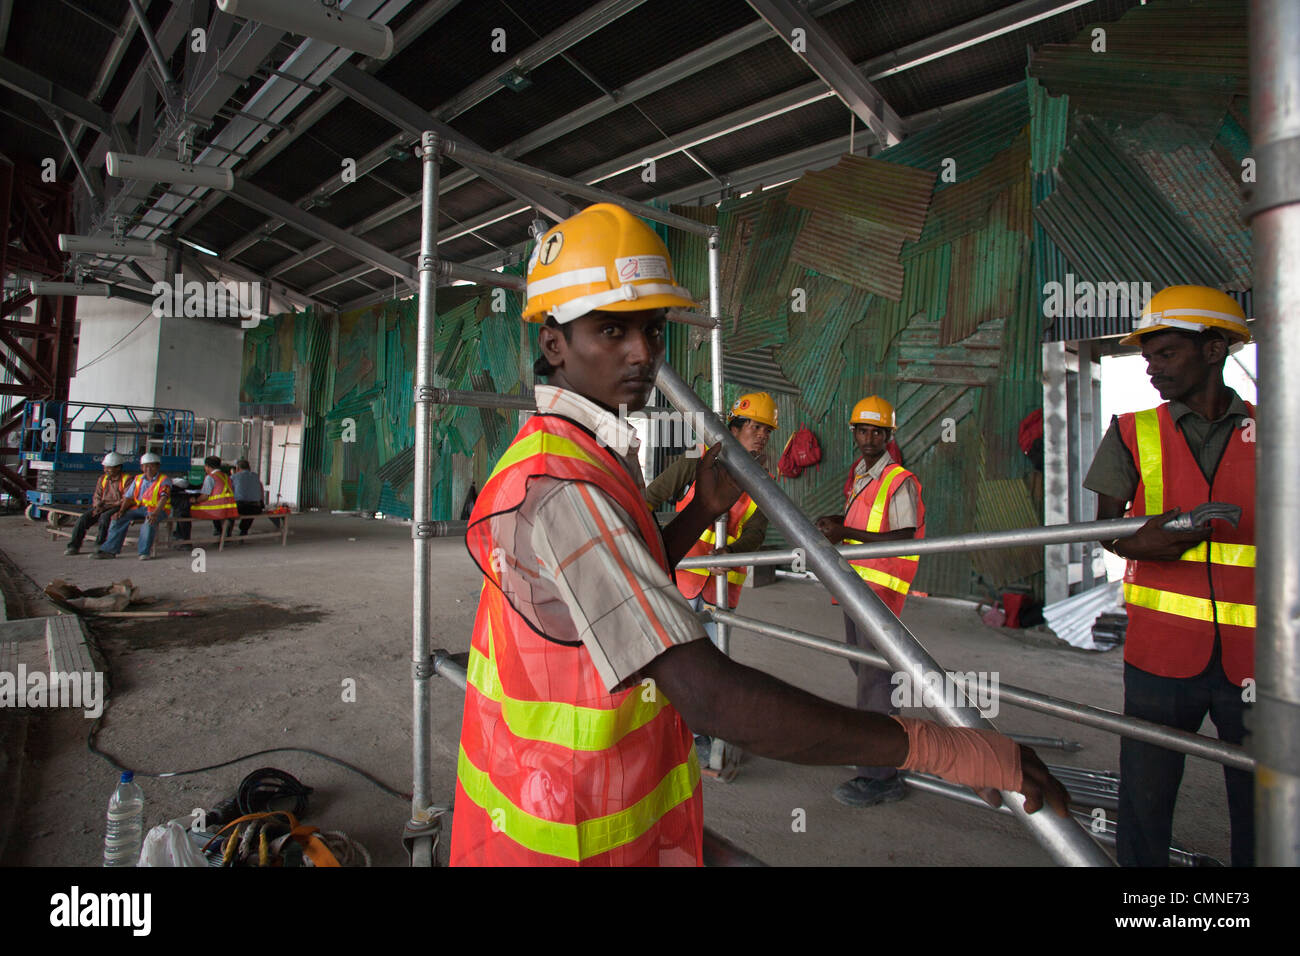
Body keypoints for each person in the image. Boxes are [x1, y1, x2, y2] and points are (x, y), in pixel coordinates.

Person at [449, 202, 1064, 866]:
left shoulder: (577, 450)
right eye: (610, 330)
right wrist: (947, 748)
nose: (643, 354)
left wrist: (697, 513)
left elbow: (610, 590)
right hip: (562, 833)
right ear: (554, 344)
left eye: (653, 331)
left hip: (600, 811)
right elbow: (713, 697)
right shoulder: (564, 486)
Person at [1083, 285, 1255, 867]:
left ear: (1213, 349)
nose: (1152, 368)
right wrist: (1139, 540)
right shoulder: (1131, 431)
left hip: (1260, 659)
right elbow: (1102, 531)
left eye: (1167, 353)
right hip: (1160, 654)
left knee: (1261, 799)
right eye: (1147, 357)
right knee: (1146, 799)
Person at [645, 391, 776, 758]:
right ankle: (673, 727)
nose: (762, 435)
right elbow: (650, 497)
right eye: (754, 426)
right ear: (733, 427)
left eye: (767, 430)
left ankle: (703, 736)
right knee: (672, 659)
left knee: (713, 664)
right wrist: (650, 543)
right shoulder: (695, 463)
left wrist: (732, 552)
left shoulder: (763, 483)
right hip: (682, 580)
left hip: (721, 588)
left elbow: (756, 531)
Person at [814, 396, 925, 809]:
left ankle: (880, 776)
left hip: (881, 592)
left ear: (889, 436)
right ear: (854, 433)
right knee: (864, 670)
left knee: (876, 679)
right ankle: (886, 750)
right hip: (856, 587)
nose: (869, 438)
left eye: (877, 431)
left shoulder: (900, 480)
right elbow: (862, 525)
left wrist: (847, 536)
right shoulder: (861, 474)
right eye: (862, 430)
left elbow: (904, 536)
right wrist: (838, 524)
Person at [95, 453, 169, 560]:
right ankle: (110, 550)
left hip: (157, 510)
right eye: (145, 466)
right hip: (138, 508)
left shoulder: (164, 479)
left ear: (158, 466)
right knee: (117, 518)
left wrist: (155, 513)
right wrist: (122, 510)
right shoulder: (138, 479)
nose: (148, 468)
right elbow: (128, 497)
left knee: (149, 522)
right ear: (141, 467)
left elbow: (164, 498)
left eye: (151, 465)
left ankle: (144, 552)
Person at [64, 452, 132, 555]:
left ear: (118, 468)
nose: (106, 470)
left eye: (109, 468)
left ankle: (100, 545)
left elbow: (126, 498)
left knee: (104, 518)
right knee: (83, 519)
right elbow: (97, 495)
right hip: (103, 506)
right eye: (105, 467)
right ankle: (74, 546)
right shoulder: (102, 479)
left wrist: (110, 506)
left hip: (119, 507)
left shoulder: (127, 479)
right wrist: (97, 505)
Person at [229, 458, 281, 536]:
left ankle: (227, 534)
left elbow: (230, 491)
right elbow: (260, 491)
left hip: (240, 507)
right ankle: (244, 530)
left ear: (237, 468)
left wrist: (233, 475)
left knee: (229, 512)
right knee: (250, 510)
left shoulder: (234, 477)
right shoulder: (255, 476)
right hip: (256, 508)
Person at [191, 456, 240, 536]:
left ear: (207, 466)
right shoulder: (226, 477)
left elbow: (204, 497)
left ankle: (182, 537)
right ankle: (222, 532)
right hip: (230, 509)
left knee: (188, 510)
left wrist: (195, 500)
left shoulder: (210, 477)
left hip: (217, 509)